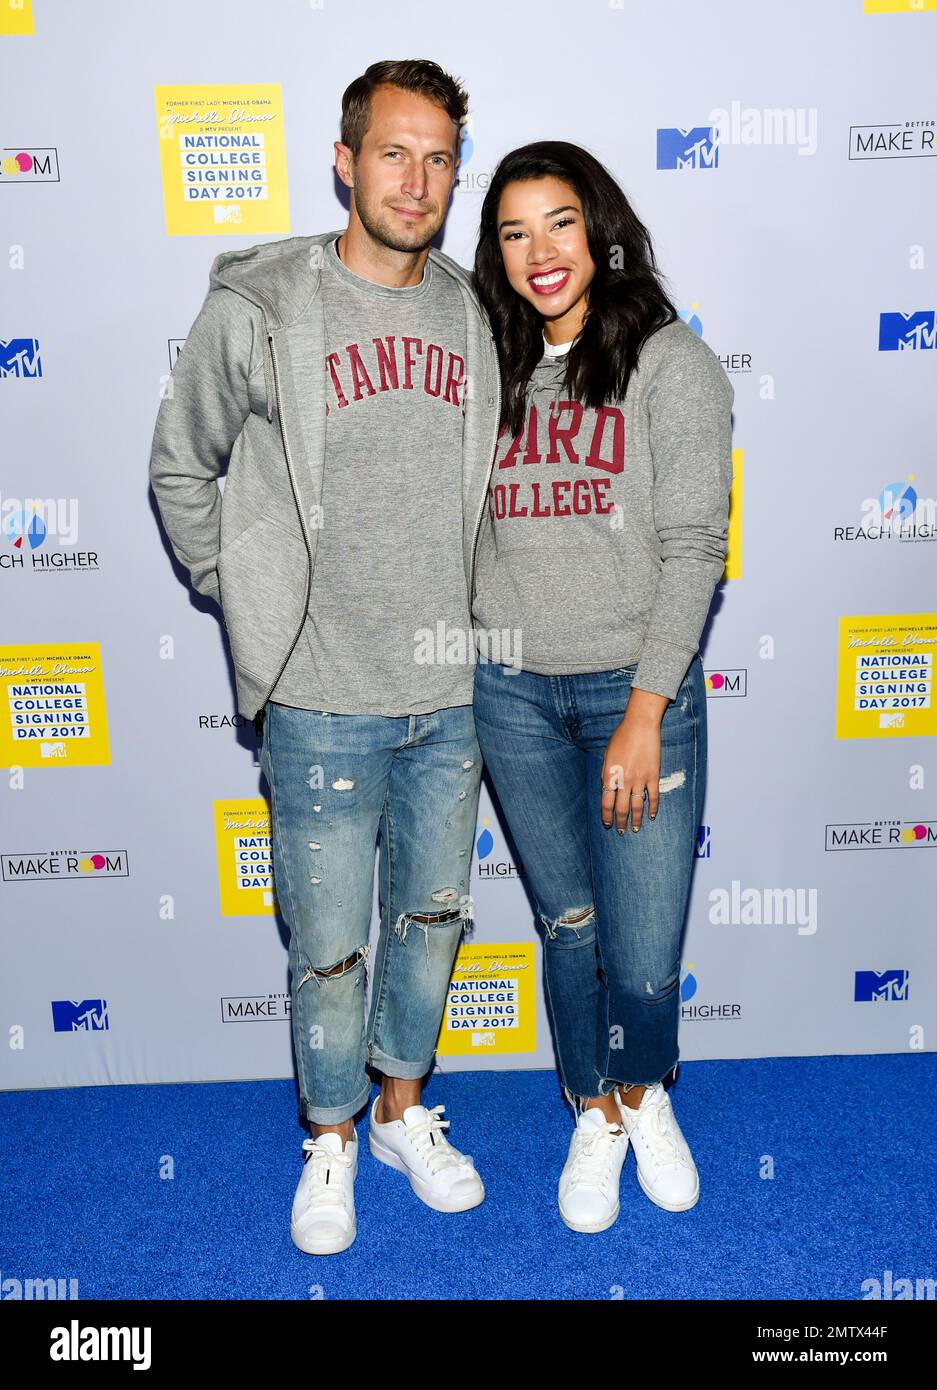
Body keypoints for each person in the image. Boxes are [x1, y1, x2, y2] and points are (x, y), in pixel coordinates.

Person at [149, 60, 503, 1255]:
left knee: (431, 918)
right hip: (317, 697)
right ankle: (333, 1139)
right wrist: (240, 593)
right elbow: (178, 467)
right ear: (345, 161)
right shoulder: (262, 307)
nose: (417, 180)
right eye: (393, 153)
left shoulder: (470, 312)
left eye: (440, 157)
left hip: (451, 692)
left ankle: (403, 1110)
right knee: (329, 940)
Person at [470, 141, 734, 1233]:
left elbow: (694, 547)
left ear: (601, 228)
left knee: (642, 939)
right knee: (569, 925)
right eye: (514, 231)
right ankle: (595, 1110)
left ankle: (644, 1093)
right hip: (513, 696)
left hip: (638, 693)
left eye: (560, 222)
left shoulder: (669, 363)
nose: (540, 251)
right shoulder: (481, 364)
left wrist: (643, 712)